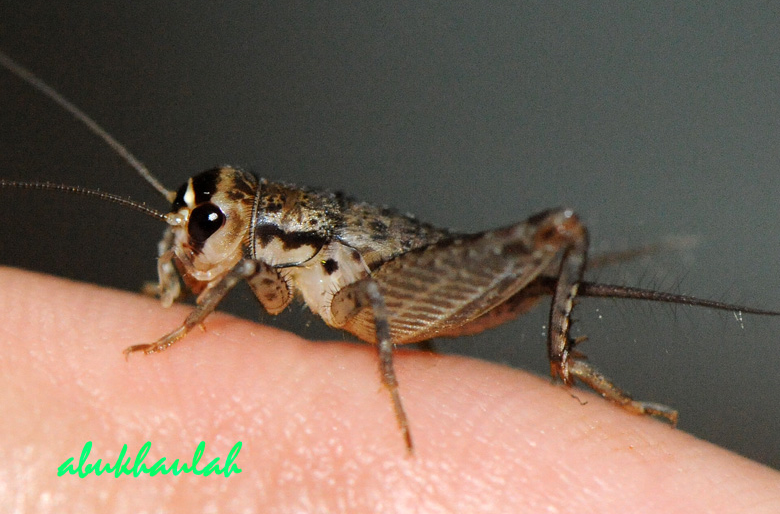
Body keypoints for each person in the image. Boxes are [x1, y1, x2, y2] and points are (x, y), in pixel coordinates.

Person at [2, 267, 778, 512]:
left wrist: (174, 333)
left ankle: (572, 368)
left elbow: (366, 300)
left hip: (430, 289)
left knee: (554, 239)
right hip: (403, 301)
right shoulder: (258, 250)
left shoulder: (272, 252)